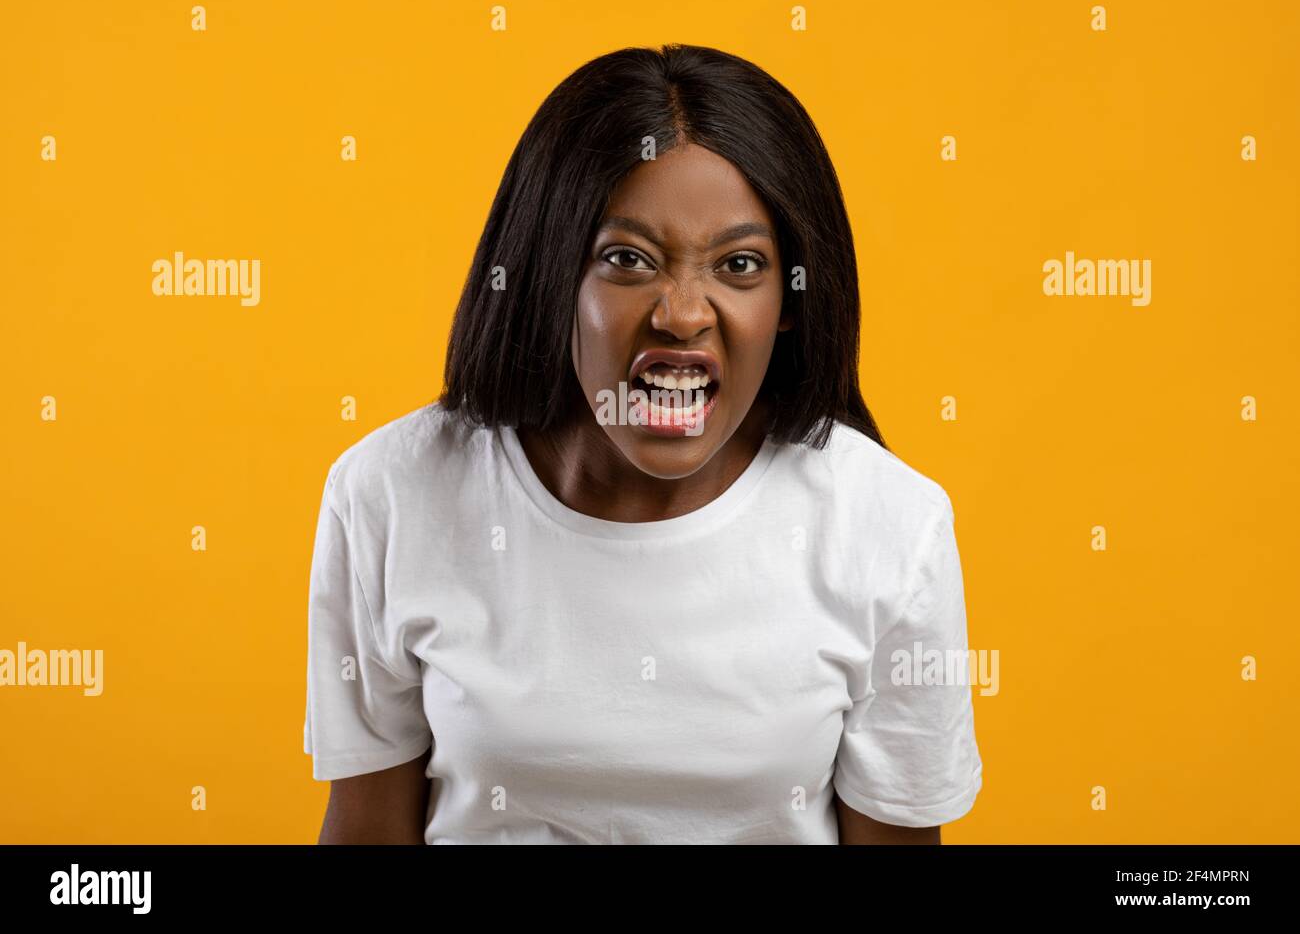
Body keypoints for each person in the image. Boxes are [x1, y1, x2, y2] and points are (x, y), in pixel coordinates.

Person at [303, 43, 983, 844]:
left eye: (739, 264)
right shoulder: (390, 495)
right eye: (627, 259)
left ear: (790, 302)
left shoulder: (890, 528)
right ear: (550, 276)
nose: (683, 314)